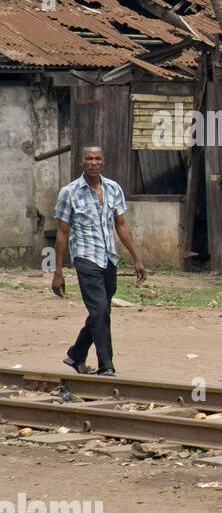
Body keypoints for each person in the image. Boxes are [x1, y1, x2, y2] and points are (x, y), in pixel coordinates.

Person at [51, 145, 146, 376]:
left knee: (100, 313)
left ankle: (75, 355)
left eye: (97, 159)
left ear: (103, 161)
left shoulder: (113, 188)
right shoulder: (69, 192)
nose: (93, 162)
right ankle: (107, 366)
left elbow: (121, 225)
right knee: (100, 311)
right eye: (88, 159)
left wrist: (137, 259)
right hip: (85, 259)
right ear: (81, 162)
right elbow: (62, 233)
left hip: (109, 259)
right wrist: (58, 271)